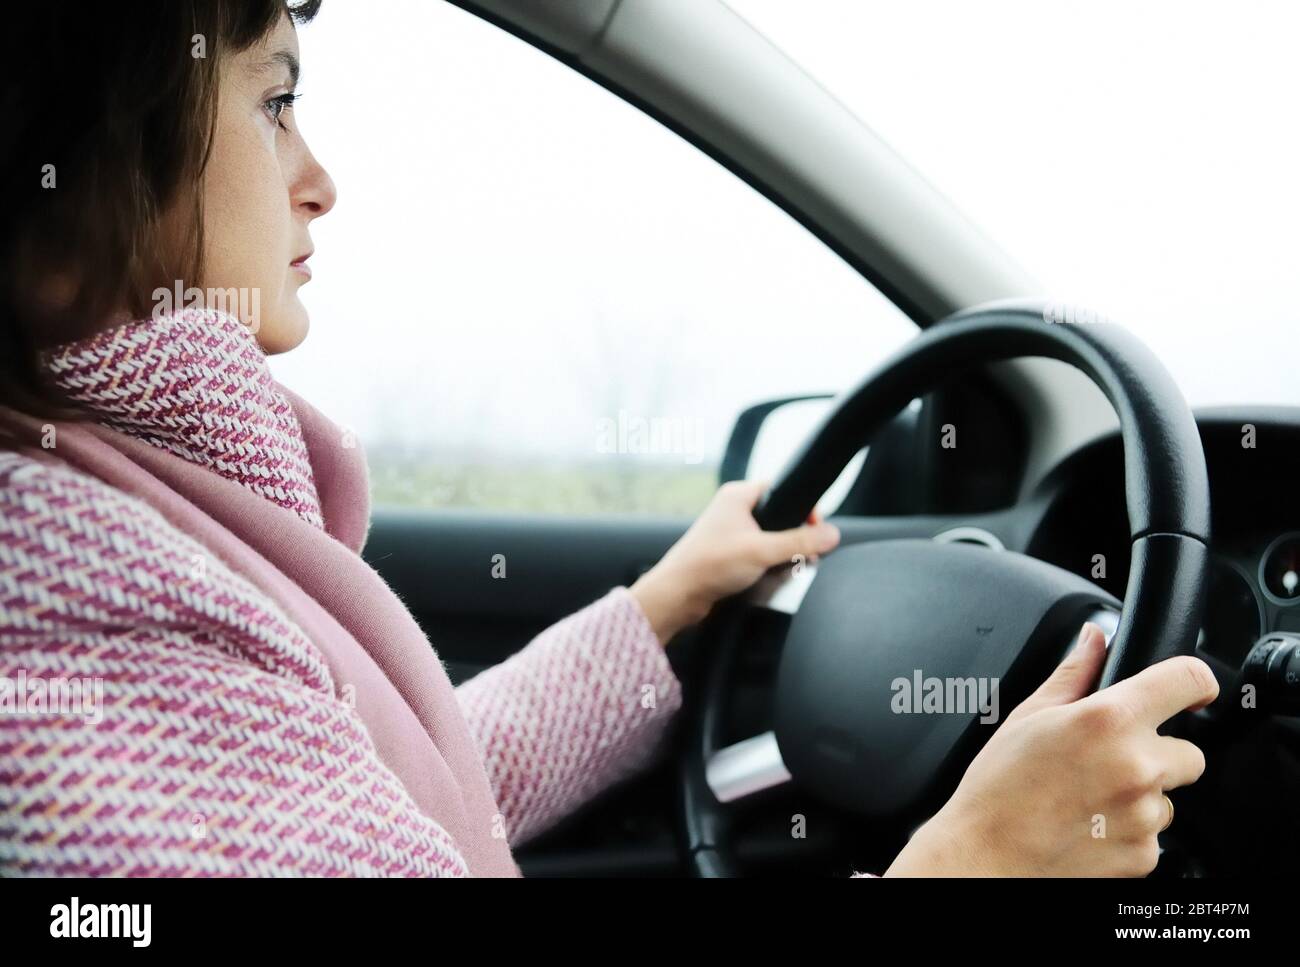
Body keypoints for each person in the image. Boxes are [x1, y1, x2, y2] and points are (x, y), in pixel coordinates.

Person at [0, 0, 1218, 877]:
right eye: (273, 102)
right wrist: (982, 856)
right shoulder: (70, 603)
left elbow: (397, 806)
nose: (319, 180)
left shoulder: (111, 517)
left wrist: (663, 605)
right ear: (64, 185)